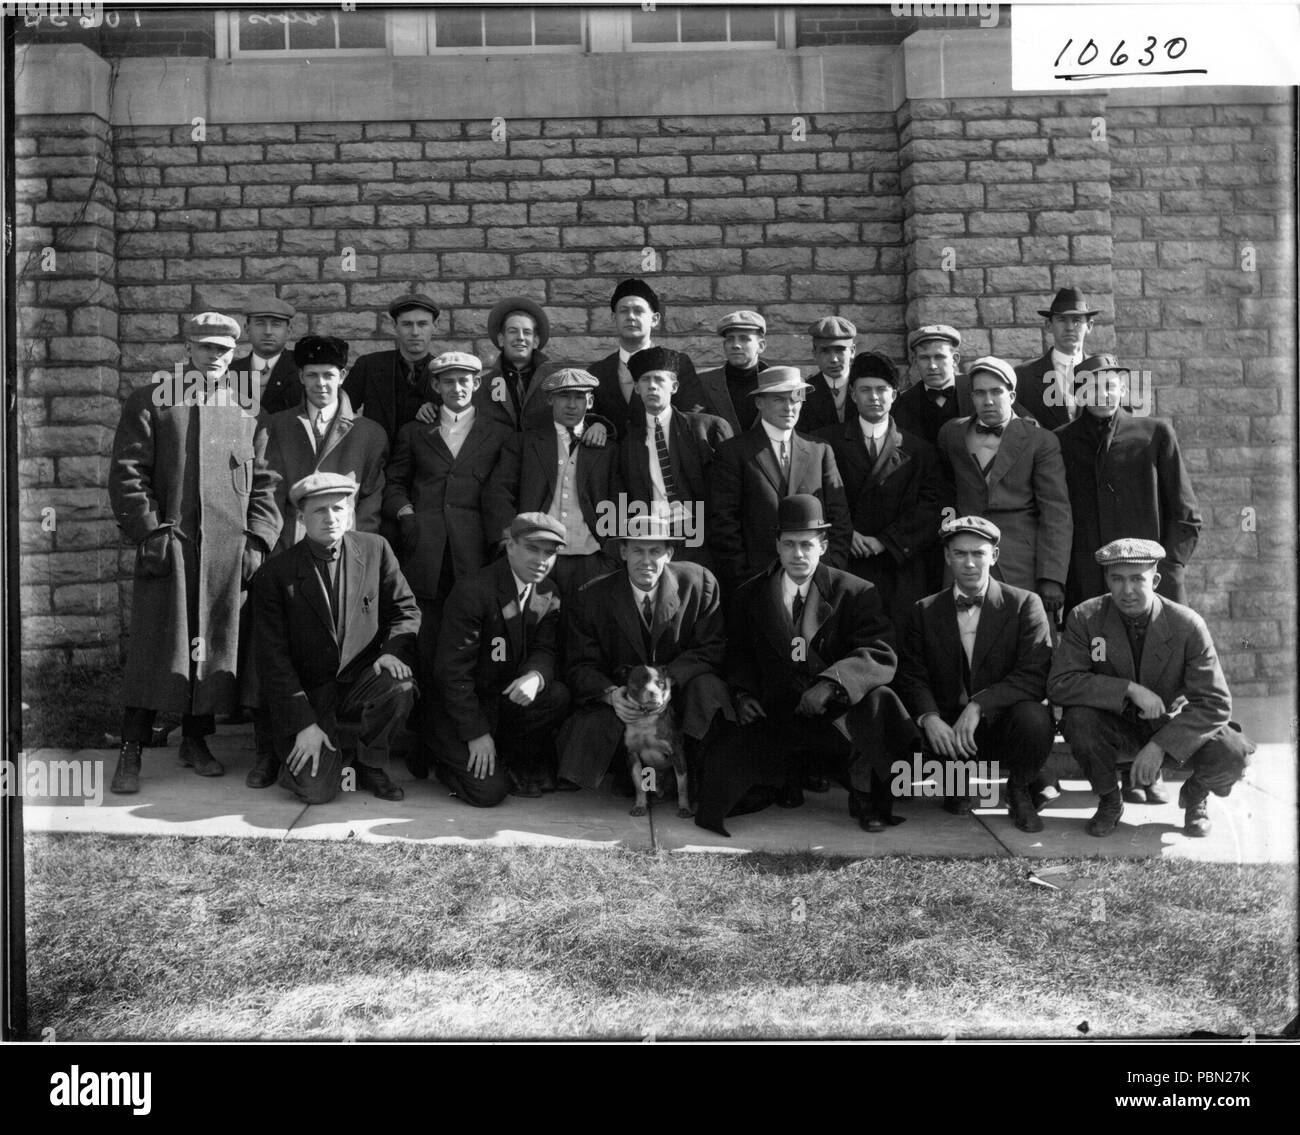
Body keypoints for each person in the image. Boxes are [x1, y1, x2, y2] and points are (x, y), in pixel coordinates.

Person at [107, 312, 281, 794]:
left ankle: (196, 740)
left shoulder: (247, 408)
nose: (215, 358)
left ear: (234, 352)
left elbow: (265, 482)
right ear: (188, 348)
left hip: (227, 553)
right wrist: (149, 533)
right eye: (206, 348)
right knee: (156, 647)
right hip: (172, 548)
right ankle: (131, 748)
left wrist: (259, 538)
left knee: (212, 645)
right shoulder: (152, 401)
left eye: (224, 350)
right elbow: (127, 475)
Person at [696, 495, 913, 837]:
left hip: (836, 709)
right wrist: (741, 693)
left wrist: (831, 684)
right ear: (777, 547)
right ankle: (781, 779)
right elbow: (738, 654)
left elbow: (878, 650)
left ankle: (867, 797)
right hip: (777, 708)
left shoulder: (855, 591)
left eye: (807, 545)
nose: (798, 554)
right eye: (790, 545)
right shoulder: (752, 594)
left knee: (880, 699)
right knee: (718, 788)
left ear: (824, 546)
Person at [1048, 539, 1254, 838]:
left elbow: (1215, 703)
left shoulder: (1187, 624)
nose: (1126, 590)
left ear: (1155, 580)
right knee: (1078, 718)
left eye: (1137, 579)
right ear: (1106, 579)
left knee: (1234, 751)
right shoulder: (1085, 617)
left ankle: (1196, 796)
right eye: (1117, 579)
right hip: (1116, 728)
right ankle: (1110, 800)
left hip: (1171, 725)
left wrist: (1161, 746)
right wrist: (1129, 689)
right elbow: (1060, 684)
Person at [251, 473, 417, 804]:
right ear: (300, 518)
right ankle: (308, 753)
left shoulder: (375, 549)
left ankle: (370, 765)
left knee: (399, 684)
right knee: (316, 792)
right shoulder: (276, 573)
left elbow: (406, 610)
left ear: (351, 512)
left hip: (360, 681)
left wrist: (391, 651)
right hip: (310, 696)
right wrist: (303, 725)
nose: (331, 518)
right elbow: (273, 660)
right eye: (319, 511)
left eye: (339, 509)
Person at [894, 516, 1056, 833]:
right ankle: (955, 781)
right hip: (948, 731)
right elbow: (912, 674)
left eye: (978, 553)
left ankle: (1019, 789)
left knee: (1035, 717)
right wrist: (929, 717)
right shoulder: (923, 611)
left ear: (994, 556)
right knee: (939, 782)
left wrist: (980, 704)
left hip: (1000, 726)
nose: (970, 563)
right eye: (960, 553)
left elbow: (1034, 675)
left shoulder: (1025, 604)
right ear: (947, 557)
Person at [557, 514, 731, 795]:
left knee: (708, 688)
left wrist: (667, 682)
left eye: (655, 551)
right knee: (598, 728)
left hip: (681, 697)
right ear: (624, 551)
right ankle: (631, 776)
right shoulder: (591, 597)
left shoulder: (699, 584)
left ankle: (702, 773)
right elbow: (580, 665)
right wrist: (611, 694)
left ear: (669, 553)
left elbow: (712, 647)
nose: (646, 560)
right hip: (626, 707)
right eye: (637, 550)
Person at [431, 513, 572, 805]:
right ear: (510, 546)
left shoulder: (548, 591)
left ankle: (508, 757)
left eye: (549, 553)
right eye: (533, 549)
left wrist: (536, 676)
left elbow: (546, 650)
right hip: (459, 710)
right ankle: (443, 761)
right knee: (490, 793)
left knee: (555, 693)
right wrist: (475, 734)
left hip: (502, 703)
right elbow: (451, 672)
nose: (542, 560)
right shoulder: (474, 590)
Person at [1054, 354, 1202, 610]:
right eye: (1091, 388)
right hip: (1089, 585)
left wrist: (1167, 568)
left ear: (1122, 389)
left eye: (1109, 386)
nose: (1102, 395)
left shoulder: (1154, 434)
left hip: (1152, 582)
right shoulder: (1061, 442)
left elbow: (1186, 515)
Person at [935, 356, 1071, 622]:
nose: (988, 401)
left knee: (1025, 638)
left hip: (1021, 562)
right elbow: (944, 494)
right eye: (980, 393)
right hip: (966, 559)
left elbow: (1056, 512)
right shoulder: (951, 434)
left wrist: (1052, 577)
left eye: (996, 392)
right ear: (971, 396)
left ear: (1011, 395)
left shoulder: (1040, 440)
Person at [816, 351, 944, 628]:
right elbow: (819, 496)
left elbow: (931, 506)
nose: (874, 397)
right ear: (852, 395)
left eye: (881, 390)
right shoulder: (826, 444)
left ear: (894, 395)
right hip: (846, 560)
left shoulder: (919, 449)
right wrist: (845, 533)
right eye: (865, 390)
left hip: (899, 564)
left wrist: (885, 541)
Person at [709, 366, 852, 590]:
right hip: (757, 583)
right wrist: (745, 579)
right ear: (759, 402)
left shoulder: (819, 450)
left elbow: (839, 518)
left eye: (795, 399)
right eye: (778, 399)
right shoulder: (734, 453)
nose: (789, 407)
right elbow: (724, 522)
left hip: (814, 580)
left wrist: (830, 569)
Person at [489, 367, 617, 608]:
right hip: (535, 555)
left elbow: (618, 499)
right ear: (550, 399)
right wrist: (508, 540)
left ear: (589, 402)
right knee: (535, 624)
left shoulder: (606, 449)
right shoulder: (524, 443)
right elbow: (498, 493)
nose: (571, 405)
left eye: (579, 397)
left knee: (586, 627)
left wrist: (609, 550)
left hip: (590, 557)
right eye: (563, 396)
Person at [259, 335, 388, 552]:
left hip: (345, 547)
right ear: (301, 376)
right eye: (312, 375)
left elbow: (370, 504)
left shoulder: (369, 433)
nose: (320, 384)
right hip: (288, 548)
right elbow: (270, 493)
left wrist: (359, 552)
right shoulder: (276, 426)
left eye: (328, 375)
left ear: (342, 376)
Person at [614, 345, 733, 572]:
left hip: (702, 541)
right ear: (637, 388)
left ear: (674, 386)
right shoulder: (629, 442)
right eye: (645, 380)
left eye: (659, 379)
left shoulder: (707, 429)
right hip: (654, 544)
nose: (652, 386)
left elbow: (727, 495)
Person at [587, 277, 701, 437]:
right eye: (624, 311)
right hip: (613, 459)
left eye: (638, 311)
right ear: (614, 318)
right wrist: (599, 424)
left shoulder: (678, 364)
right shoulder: (597, 372)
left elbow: (692, 416)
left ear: (654, 319)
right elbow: (587, 418)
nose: (631, 317)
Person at [342, 292, 440, 442]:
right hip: (379, 461)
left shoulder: (445, 373)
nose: (415, 332)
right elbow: (341, 411)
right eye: (407, 324)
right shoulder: (369, 366)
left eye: (422, 324)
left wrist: (439, 411)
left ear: (435, 326)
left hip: (425, 462)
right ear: (395, 327)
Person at [471, 296, 566, 432]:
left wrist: (598, 424)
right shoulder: (483, 387)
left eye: (527, 332)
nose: (520, 337)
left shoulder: (557, 382)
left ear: (535, 341)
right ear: (501, 339)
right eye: (513, 331)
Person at [1014, 286, 1100, 430]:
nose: (1069, 327)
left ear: (1089, 326)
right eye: (1062, 319)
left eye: (1076, 320)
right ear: (1049, 325)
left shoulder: (1104, 372)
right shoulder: (1023, 375)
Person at [890, 325, 975, 447]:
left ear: (955, 359)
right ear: (915, 361)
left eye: (939, 357)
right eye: (924, 358)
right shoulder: (903, 403)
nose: (932, 366)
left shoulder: (977, 391)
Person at [693, 310, 776, 435]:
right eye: (730, 339)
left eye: (744, 339)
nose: (735, 345)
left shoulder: (779, 383)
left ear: (761, 346)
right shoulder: (703, 383)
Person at [233, 296, 300, 419]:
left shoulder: (302, 369)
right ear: (247, 329)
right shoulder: (230, 372)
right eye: (260, 324)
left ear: (289, 330)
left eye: (276, 325)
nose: (268, 332)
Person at [797, 315, 858, 433]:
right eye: (825, 351)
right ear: (814, 353)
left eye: (840, 350)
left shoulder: (868, 389)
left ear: (852, 351)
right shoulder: (802, 393)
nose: (834, 359)